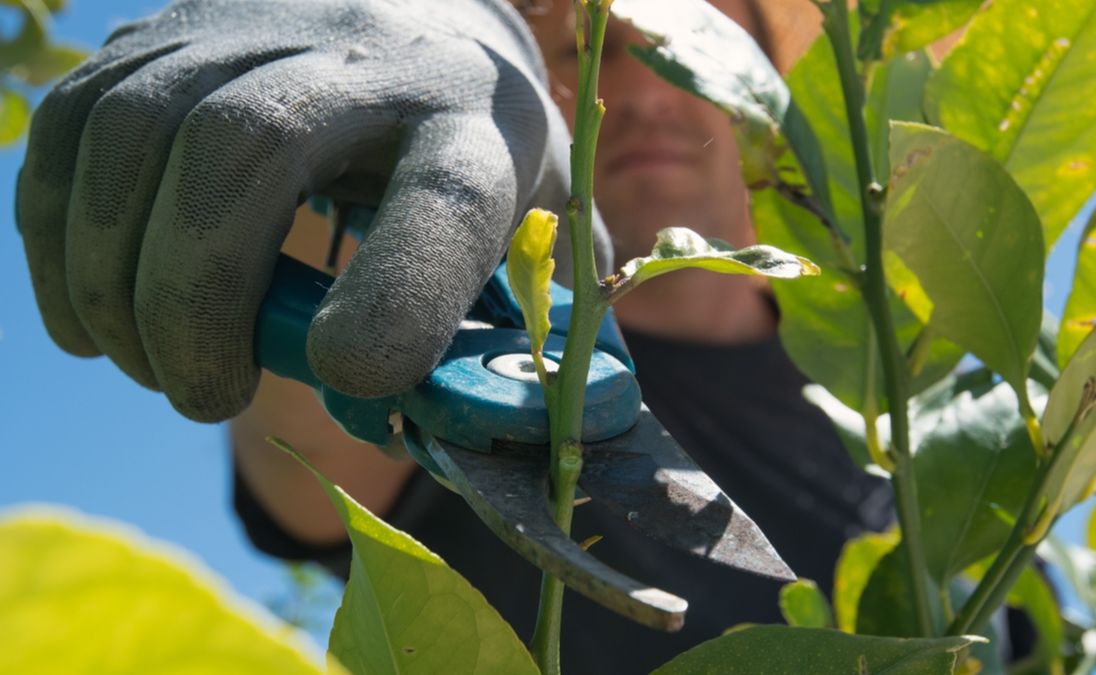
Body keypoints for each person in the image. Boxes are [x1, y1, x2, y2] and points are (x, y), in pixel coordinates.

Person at [16, 0, 892, 671]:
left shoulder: (911, 420)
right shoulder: (445, 310)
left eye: (677, 49)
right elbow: (306, 428)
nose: (630, 87)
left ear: (763, 98)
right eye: (571, 55)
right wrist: (342, 79)